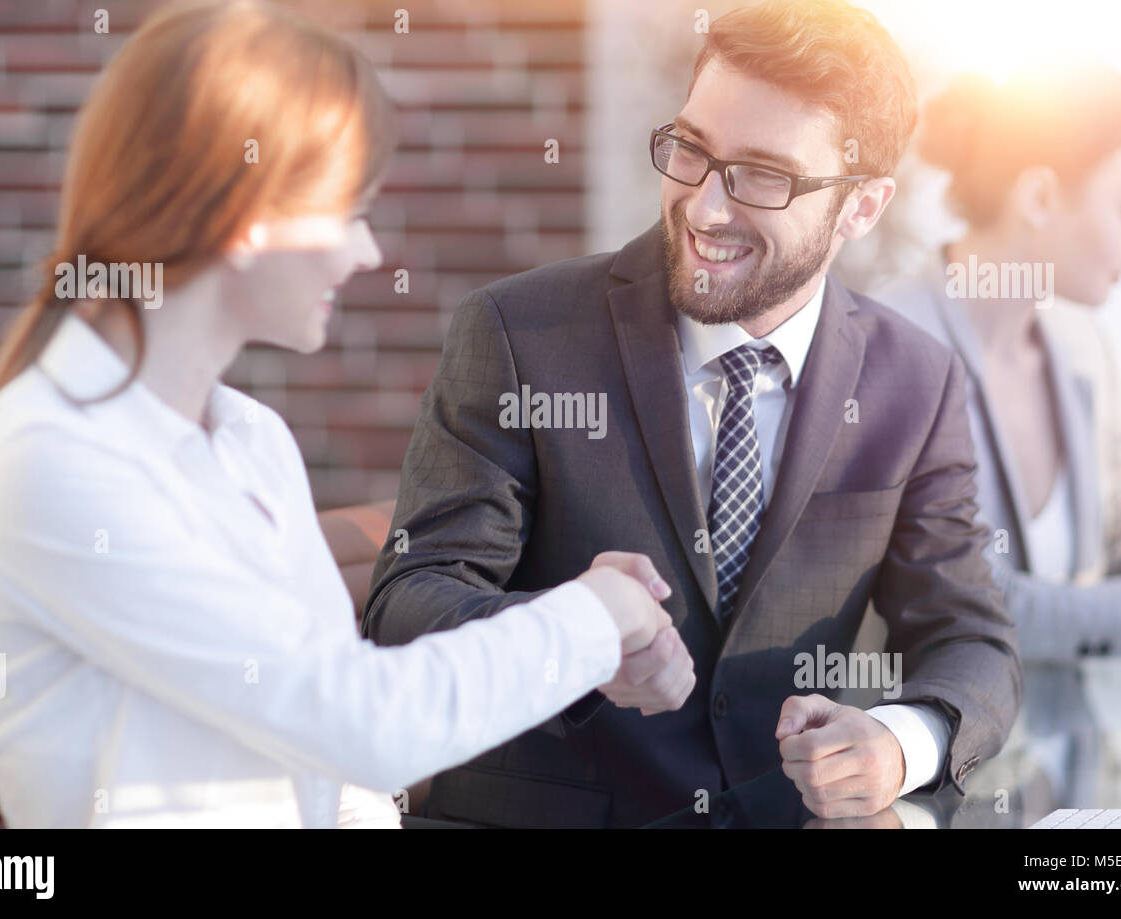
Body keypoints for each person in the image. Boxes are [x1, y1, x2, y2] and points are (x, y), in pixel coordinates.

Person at [0, 0, 677, 829]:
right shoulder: (44, 462)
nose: (368, 252)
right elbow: (362, 723)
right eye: (349, 210)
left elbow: (332, 757)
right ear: (249, 218)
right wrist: (599, 612)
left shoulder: (248, 438)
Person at [363, 0, 1021, 828]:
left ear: (861, 207)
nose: (706, 207)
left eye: (764, 175)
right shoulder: (520, 334)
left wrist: (897, 742)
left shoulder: (914, 381)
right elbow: (408, 603)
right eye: (691, 150)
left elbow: (973, 640)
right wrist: (579, 632)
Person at [872, 64, 1121, 812]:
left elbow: (1119, 549)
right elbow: (979, 598)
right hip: (927, 786)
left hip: (1060, 779)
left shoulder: (1082, 344)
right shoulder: (889, 343)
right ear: (1041, 196)